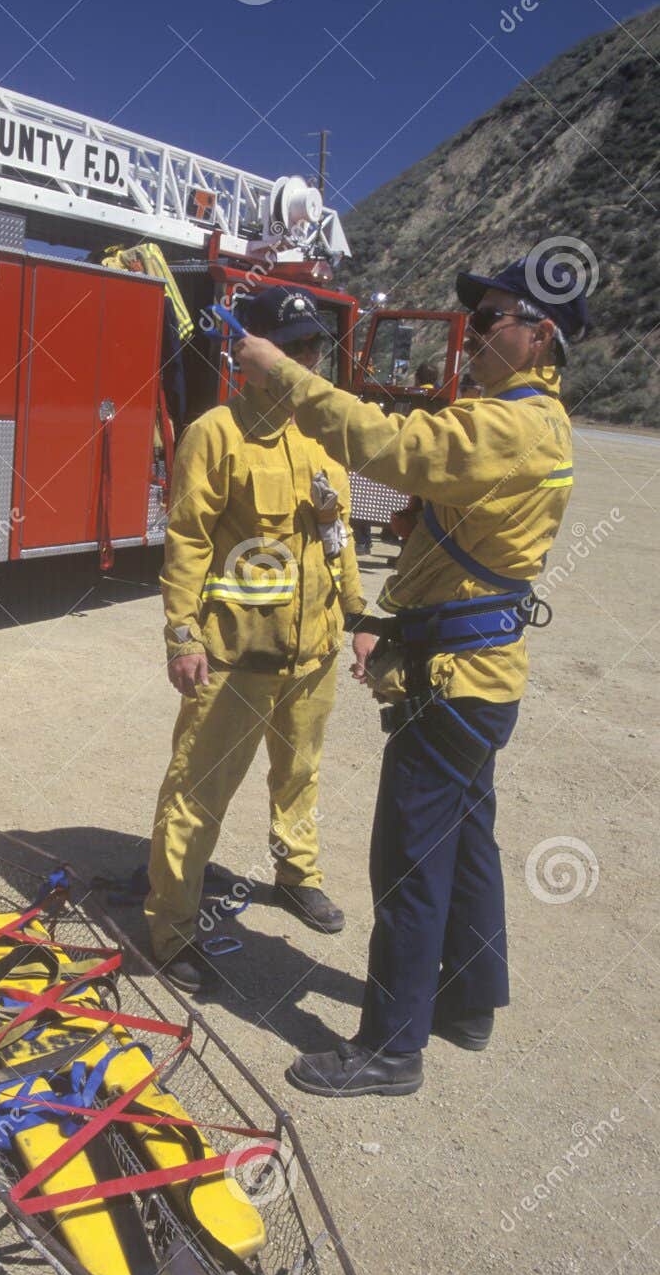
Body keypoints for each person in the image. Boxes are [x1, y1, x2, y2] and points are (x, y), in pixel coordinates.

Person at [234, 247, 583, 1096]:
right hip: (476, 674)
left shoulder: (512, 424)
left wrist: (282, 373)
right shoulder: (527, 419)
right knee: (466, 846)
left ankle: (392, 1046)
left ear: (540, 337)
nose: (473, 333)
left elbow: (388, 445)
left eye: (492, 319)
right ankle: (467, 1003)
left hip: (456, 681)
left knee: (409, 858)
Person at [145, 285, 366, 992]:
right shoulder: (217, 432)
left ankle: (296, 873)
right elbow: (186, 540)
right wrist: (183, 636)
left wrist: (357, 620)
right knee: (199, 790)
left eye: (314, 346)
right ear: (253, 353)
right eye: (294, 345)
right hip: (237, 654)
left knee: (300, 773)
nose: (309, 357)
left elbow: (341, 537)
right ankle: (172, 927)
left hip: (315, 649)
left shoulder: (325, 432)